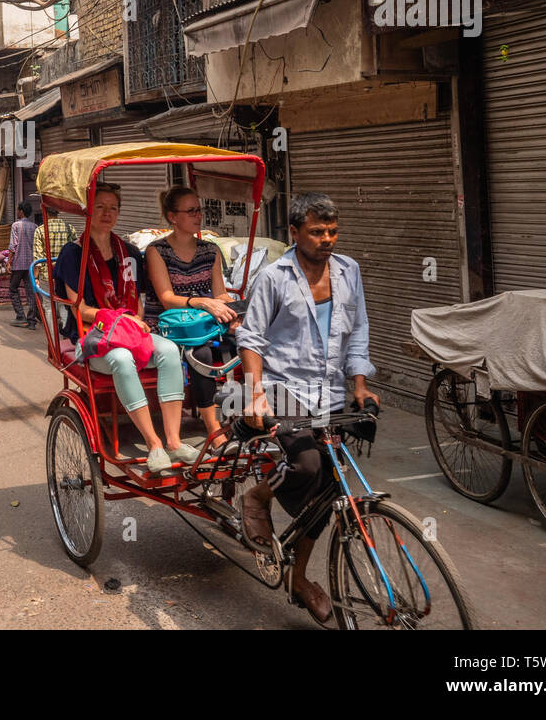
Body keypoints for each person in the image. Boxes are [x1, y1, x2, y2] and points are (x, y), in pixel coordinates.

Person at [235, 192, 378, 624]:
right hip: (280, 386)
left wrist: (360, 386)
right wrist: (255, 394)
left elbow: (358, 331)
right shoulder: (273, 277)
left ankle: (298, 580)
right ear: (294, 232)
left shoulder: (349, 271)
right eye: (317, 231)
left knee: (330, 490)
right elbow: (251, 337)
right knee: (307, 464)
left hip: (329, 390)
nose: (327, 239)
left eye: (332, 231)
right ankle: (258, 496)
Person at [52, 182, 194, 475]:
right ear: (88, 211)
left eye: (113, 208)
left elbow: (137, 302)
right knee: (122, 358)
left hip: (130, 329)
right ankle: (154, 443)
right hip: (93, 336)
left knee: (169, 350)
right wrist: (119, 320)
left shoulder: (128, 251)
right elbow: (79, 309)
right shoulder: (72, 254)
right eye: (100, 207)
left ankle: (173, 440)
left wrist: (133, 322)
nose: (107, 213)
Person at [144, 186, 239, 438]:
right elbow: (167, 299)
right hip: (167, 326)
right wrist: (203, 302)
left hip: (202, 323)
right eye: (191, 211)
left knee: (248, 342)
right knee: (201, 353)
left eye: (199, 210)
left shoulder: (210, 250)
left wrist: (235, 310)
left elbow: (219, 293)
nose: (198, 216)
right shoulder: (157, 251)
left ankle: (251, 415)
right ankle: (213, 430)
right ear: (173, 217)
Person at [8, 201, 39, 329]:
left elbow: (13, 246)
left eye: (17, 210)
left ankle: (21, 316)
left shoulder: (16, 225)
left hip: (18, 264)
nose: (16, 212)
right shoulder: (35, 226)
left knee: (12, 288)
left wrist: (9, 262)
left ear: (21, 211)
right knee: (31, 292)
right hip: (31, 265)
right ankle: (31, 320)